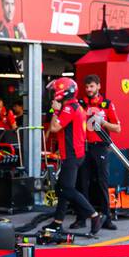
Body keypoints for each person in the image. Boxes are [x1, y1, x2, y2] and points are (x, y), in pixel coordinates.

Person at [45, 77, 103, 236]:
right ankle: (57, 222)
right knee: (62, 188)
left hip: (72, 155)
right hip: (72, 154)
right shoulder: (73, 106)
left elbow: (55, 127)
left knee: (67, 188)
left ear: (61, 92)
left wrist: (56, 110)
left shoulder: (69, 108)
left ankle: (94, 215)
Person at [80, 74, 121, 230]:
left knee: (102, 182)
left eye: (92, 86)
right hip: (83, 147)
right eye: (87, 87)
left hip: (100, 147)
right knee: (83, 183)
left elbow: (117, 128)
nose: (89, 89)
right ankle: (82, 218)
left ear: (98, 86)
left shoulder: (107, 104)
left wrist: (103, 122)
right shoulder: (81, 103)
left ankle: (107, 218)